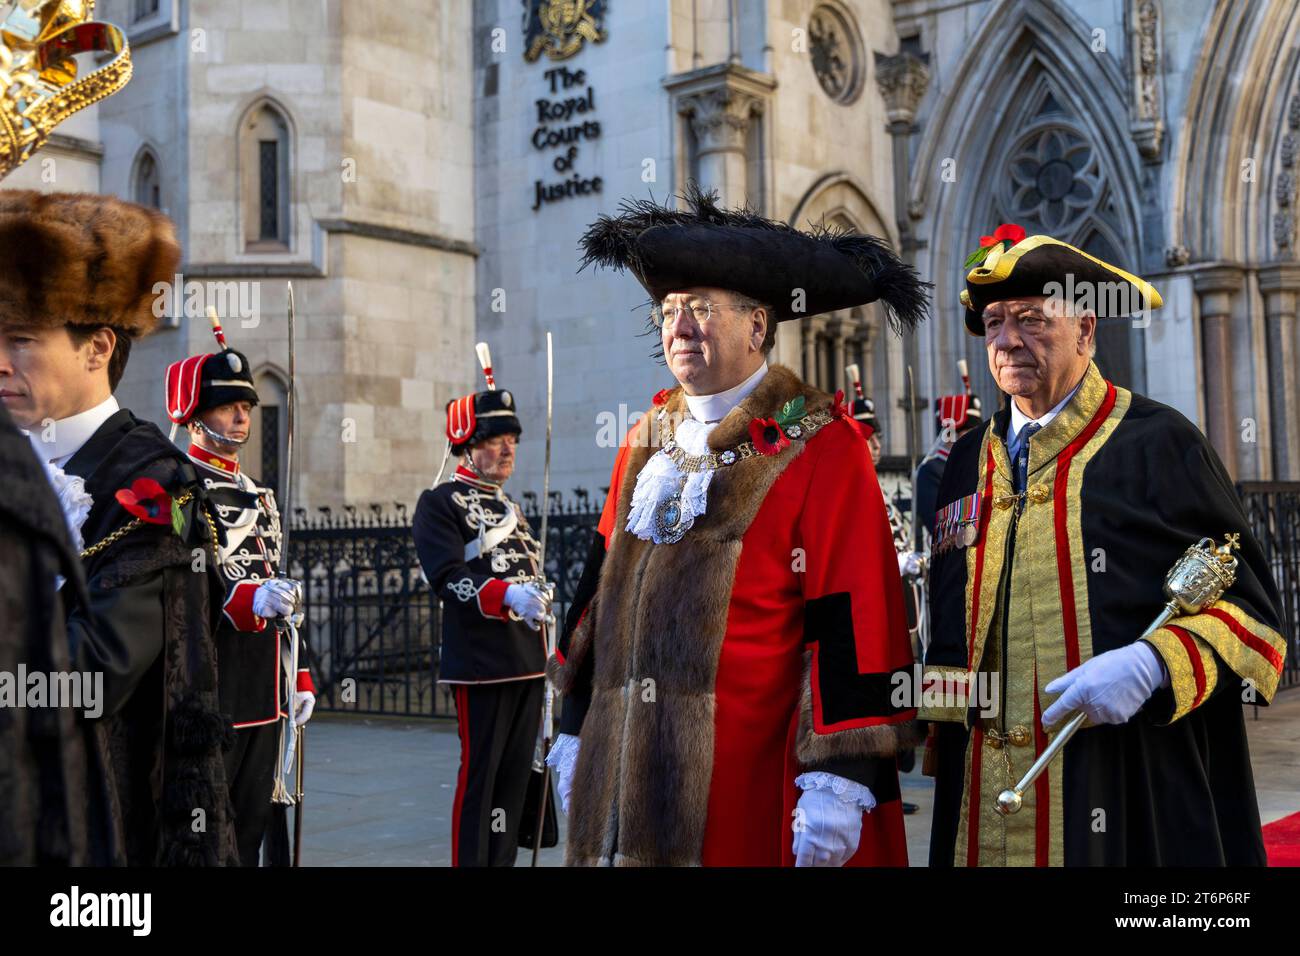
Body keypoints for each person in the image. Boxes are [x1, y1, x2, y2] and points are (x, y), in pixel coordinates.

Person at [545, 185, 928, 866]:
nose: (679, 327)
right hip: (622, 784)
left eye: (700, 309)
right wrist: (576, 727)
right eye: (668, 311)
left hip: (750, 787)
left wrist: (841, 776)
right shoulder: (644, 439)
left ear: (757, 326)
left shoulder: (819, 442)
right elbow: (599, 599)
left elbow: (854, 617)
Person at [923, 225, 1287, 865]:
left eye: (1033, 319)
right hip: (980, 795)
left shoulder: (1159, 443)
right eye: (995, 322)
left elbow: (1256, 616)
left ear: (1086, 330)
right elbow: (950, 631)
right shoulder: (962, 462)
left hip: (1123, 781)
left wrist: (1150, 665)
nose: (1008, 340)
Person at [0, 190, 236, 865]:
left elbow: (90, 672)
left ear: (97, 346)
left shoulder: (154, 481)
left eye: (20, 339)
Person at [164, 315, 314, 866]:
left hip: (265, 688)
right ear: (195, 415)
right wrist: (248, 600)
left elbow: (280, 590)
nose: (242, 415)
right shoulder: (178, 486)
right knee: (205, 832)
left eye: (247, 406)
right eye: (229, 405)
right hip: (214, 684)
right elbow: (182, 579)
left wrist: (299, 677)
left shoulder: (260, 496)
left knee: (251, 829)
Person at [412, 345, 554, 867]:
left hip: (526, 662)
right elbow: (447, 578)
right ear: (467, 447)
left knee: (516, 783)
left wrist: (536, 594)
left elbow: (522, 571)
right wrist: (508, 596)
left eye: (511, 439)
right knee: (482, 779)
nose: (507, 449)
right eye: (495, 441)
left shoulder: (510, 508)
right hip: (481, 665)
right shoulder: (440, 503)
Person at [914, 361, 983, 542]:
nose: (980, 439)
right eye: (971, 432)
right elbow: (942, 529)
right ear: (951, 434)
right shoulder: (931, 471)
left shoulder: (981, 465)